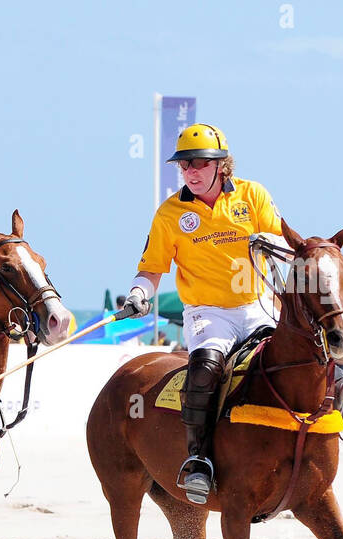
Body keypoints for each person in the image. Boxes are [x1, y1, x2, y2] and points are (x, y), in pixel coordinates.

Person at [118, 123, 284, 504]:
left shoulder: (252, 195)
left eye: (199, 163)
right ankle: (198, 461)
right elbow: (152, 268)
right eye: (184, 165)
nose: (190, 171)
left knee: (292, 359)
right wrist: (139, 293)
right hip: (208, 312)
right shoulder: (170, 213)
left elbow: (281, 242)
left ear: (221, 165)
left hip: (256, 304)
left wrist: (269, 242)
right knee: (206, 367)